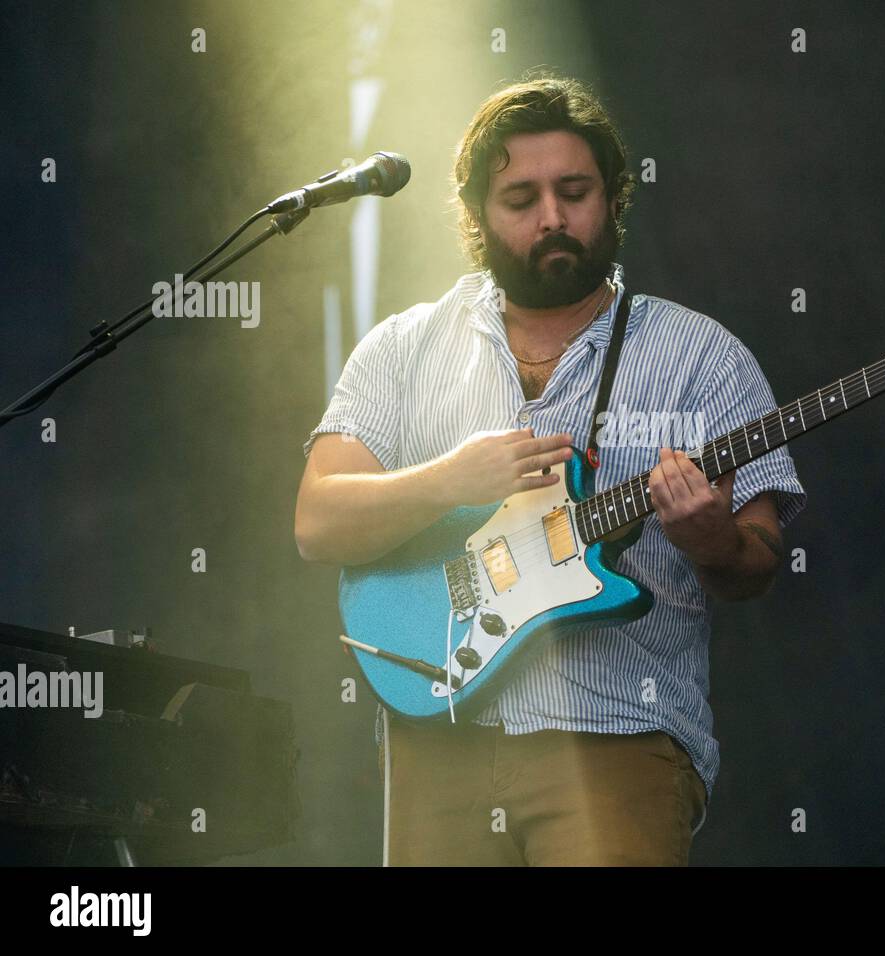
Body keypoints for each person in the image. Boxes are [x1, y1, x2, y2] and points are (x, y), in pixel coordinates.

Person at [295, 73, 806, 865]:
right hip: (441, 734)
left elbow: (757, 563)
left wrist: (712, 540)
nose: (553, 217)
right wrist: (447, 482)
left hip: (618, 735)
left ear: (614, 197)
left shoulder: (704, 356)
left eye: (575, 191)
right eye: (521, 199)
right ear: (474, 214)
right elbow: (318, 521)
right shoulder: (403, 348)